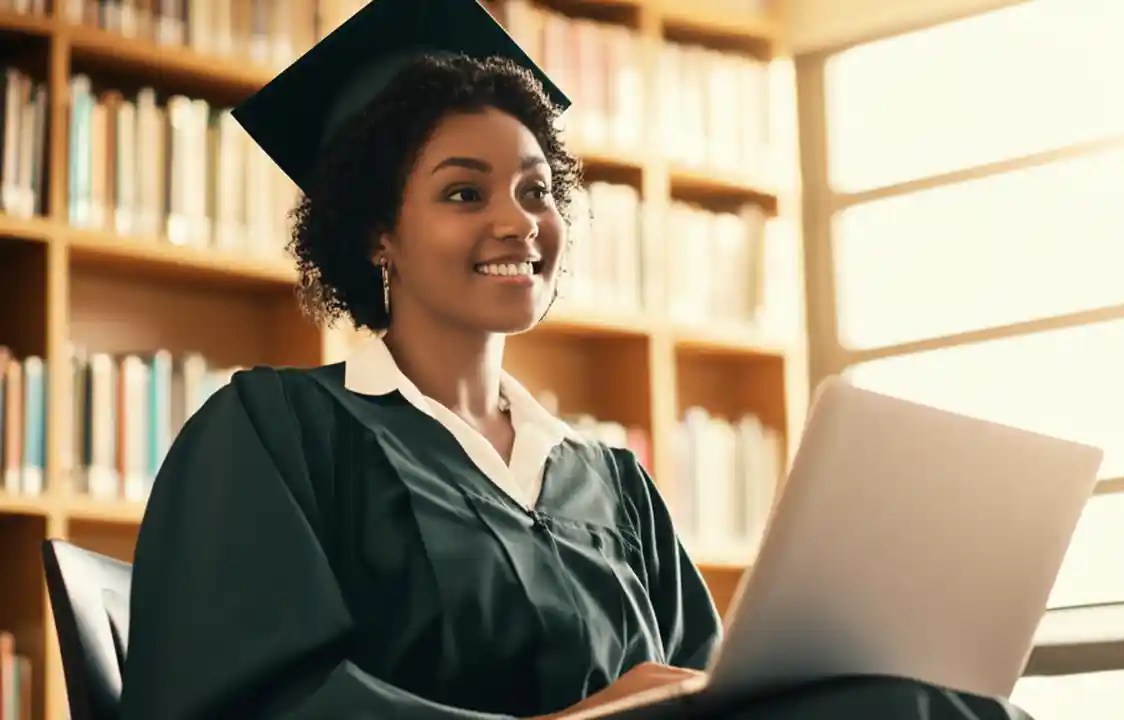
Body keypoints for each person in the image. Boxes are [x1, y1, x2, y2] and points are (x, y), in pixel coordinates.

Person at [117, 0, 722, 718]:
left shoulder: (616, 484)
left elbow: (717, 687)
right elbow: (254, 701)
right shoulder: (278, 434)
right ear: (378, 235)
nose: (518, 221)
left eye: (537, 190)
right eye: (464, 192)